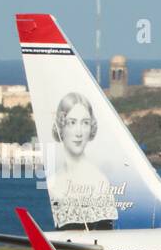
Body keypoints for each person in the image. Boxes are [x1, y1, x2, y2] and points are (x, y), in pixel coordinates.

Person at [46, 92, 117, 230]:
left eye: (85, 123)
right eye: (72, 122)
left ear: (91, 127)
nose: (79, 132)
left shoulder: (99, 182)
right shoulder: (52, 181)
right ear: (61, 126)